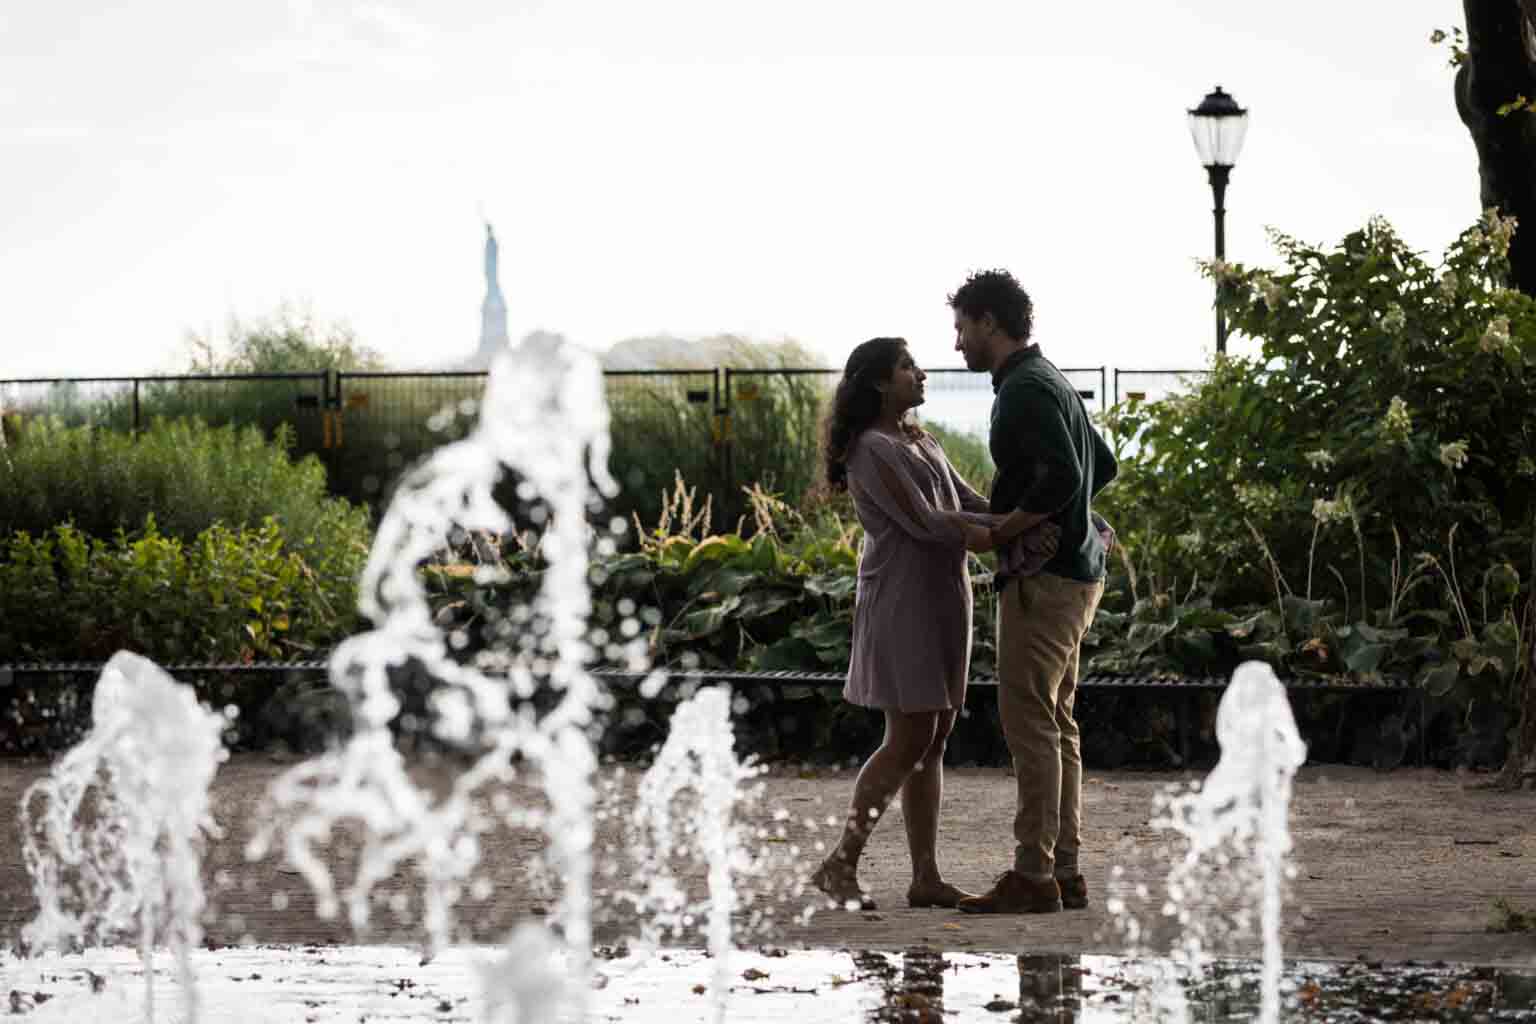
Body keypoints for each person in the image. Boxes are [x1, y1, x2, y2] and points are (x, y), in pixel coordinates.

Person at [810, 336, 1057, 911]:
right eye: (906, 367)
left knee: (935, 735)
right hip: (903, 602)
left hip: (945, 596)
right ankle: (841, 862)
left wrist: (1031, 520)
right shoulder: (871, 449)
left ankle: (925, 876)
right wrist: (1005, 534)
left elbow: (968, 499)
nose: (920, 374)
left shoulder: (918, 438)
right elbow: (927, 522)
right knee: (911, 735)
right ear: (877, 382)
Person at [947, 269, 1118, 916]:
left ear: (990, 321)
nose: (958, 342)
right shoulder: (1050, 383)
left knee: (1031, 727)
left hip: (1044, 583)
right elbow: (1104, 465)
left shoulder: (1023, 389)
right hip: (1076, 573)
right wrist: (1072, 525)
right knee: (1057, 725)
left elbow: (1065, 478)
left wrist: (1002, 533)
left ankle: (1033, 874)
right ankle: (1064, 871)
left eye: (963, 327)